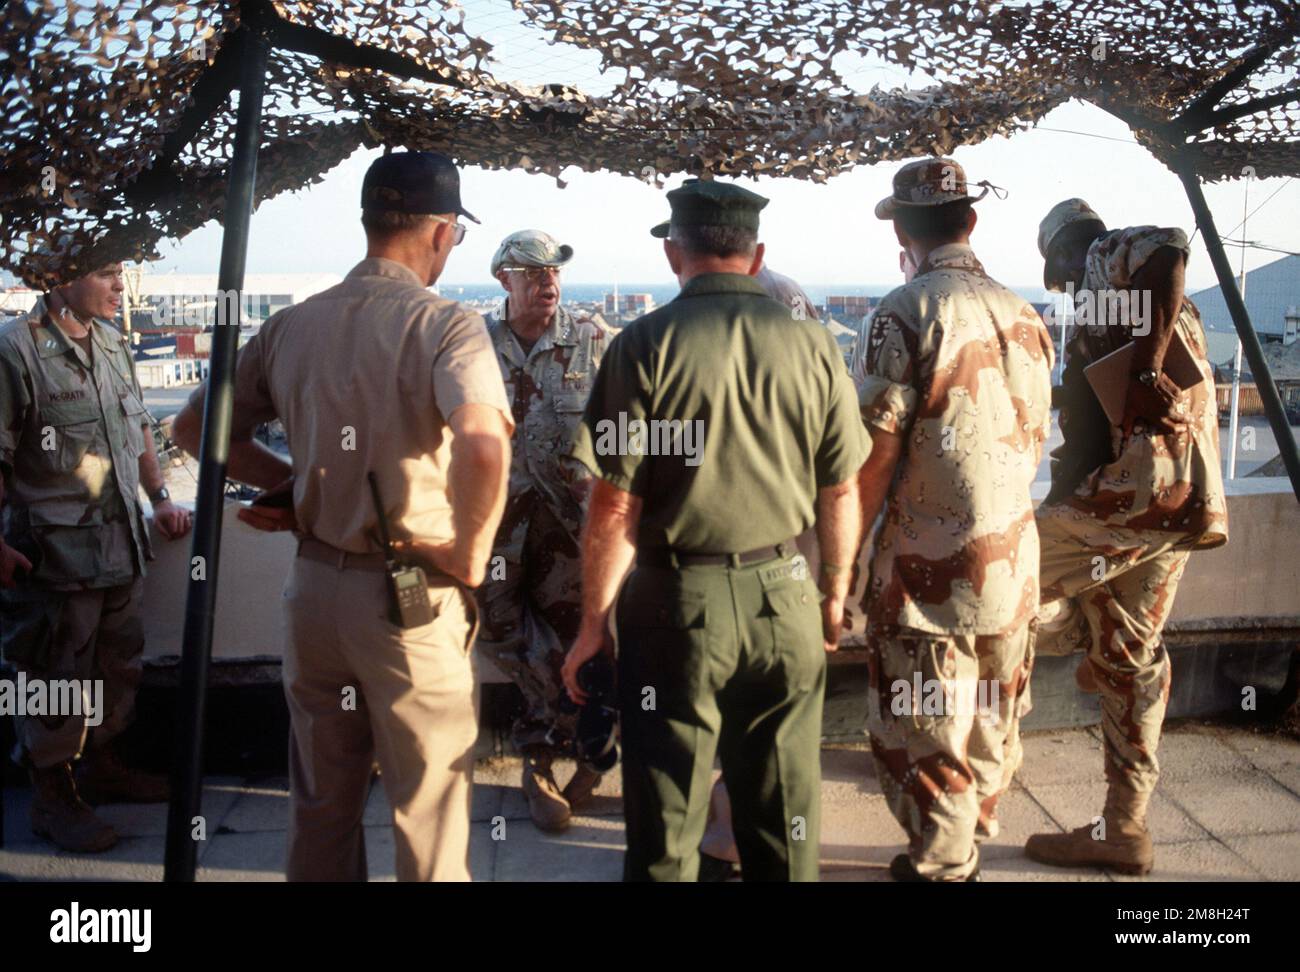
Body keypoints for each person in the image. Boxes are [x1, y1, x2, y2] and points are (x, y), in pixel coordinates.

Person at [171, 151, 513, 882]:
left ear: (370, 222)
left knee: (322, 804)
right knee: (429, 814)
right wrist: (469, 554)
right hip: (409, 601)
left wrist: (300, 489)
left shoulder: (294, 324)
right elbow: (483, 447)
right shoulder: (446, 326)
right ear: (444, 232)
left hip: (315, 595)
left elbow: (193, 431)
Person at [563, 178, 870, 881]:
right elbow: (843, 486)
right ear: (756, 257)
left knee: (666, 821)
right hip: (786, 595)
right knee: (785, 818)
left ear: (675, 254)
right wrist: (833, 589)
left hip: (675, 606)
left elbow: (613, 508)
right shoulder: (816, 347)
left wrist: (592, 627)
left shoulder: (641, 346)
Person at [850, 158, 1053, 882]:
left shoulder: (905, 310)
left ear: (902, 230)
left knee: (926, 718)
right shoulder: (1026, 314)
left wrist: (847, 554)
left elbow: (875, 453)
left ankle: (943, 860)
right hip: (1013, 561)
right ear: (969, 221)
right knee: (995, 708)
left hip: (927, 571)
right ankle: (979, 818)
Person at [1024, 199, 1227, 875]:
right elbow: (1085, 428)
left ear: (1061, 250)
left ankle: (969, 772)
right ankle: (1124, 829)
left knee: (986, 573)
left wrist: (1142, 370)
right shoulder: (1166, 315)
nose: (1061, 289)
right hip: (1181, 506)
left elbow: (1168, 246)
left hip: (1135, 494)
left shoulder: (1103, 256)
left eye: (1055, 274)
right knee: (1131, 656)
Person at [0, 262, 192, 853]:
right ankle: (51, 797)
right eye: (107, 275)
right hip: (53, 555)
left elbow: (134, 432)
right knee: (51, 675)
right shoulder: (14, 348)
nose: (120, 288)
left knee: (117, 663)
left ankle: (102, 769)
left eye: (122, 275)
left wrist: (159, 499)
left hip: (119, 544)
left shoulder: (110, 341)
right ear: (58, 276)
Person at [477, 229, 607, 832]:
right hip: (496, 526)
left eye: (553, 272)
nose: (546, 283)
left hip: (571, 527)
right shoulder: (473, 344)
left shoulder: (592, 339)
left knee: (582, 635)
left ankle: (554, 757)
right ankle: (561, 745)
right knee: (500, 630)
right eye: (531, 274)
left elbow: (635, 422)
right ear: (504, 279)